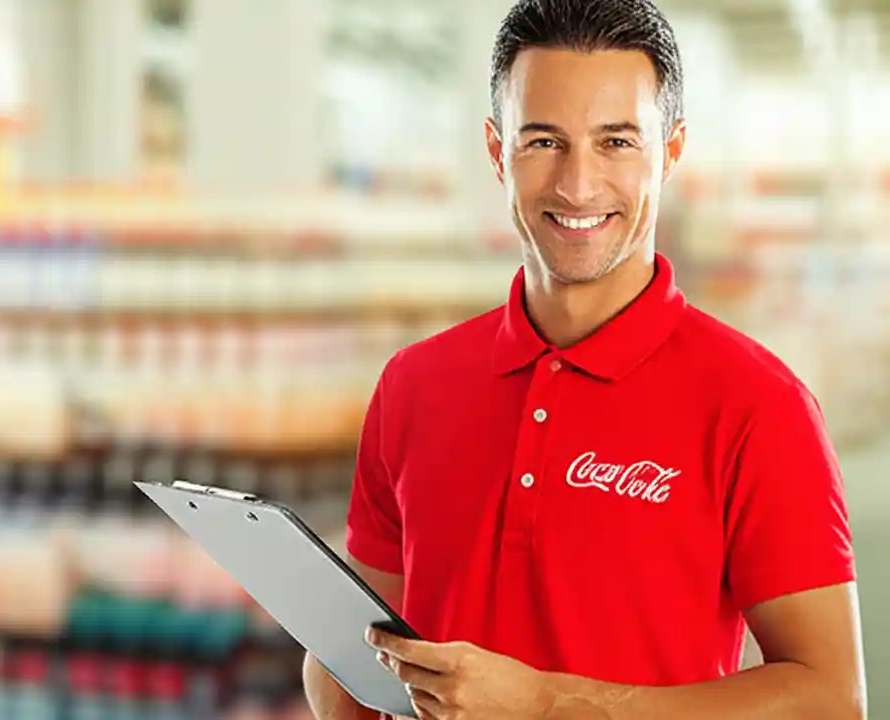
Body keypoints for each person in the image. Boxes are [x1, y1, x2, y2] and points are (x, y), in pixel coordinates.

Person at [302, 0, 867, 718]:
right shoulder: (413, 384)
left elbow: (830, 697)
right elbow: (354, 658)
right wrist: (333, 667)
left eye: (616, 142)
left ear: (671, 150)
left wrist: (544, 703)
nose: (576, 185)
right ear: (495, 149)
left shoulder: (760, 405)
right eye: (543, 142)